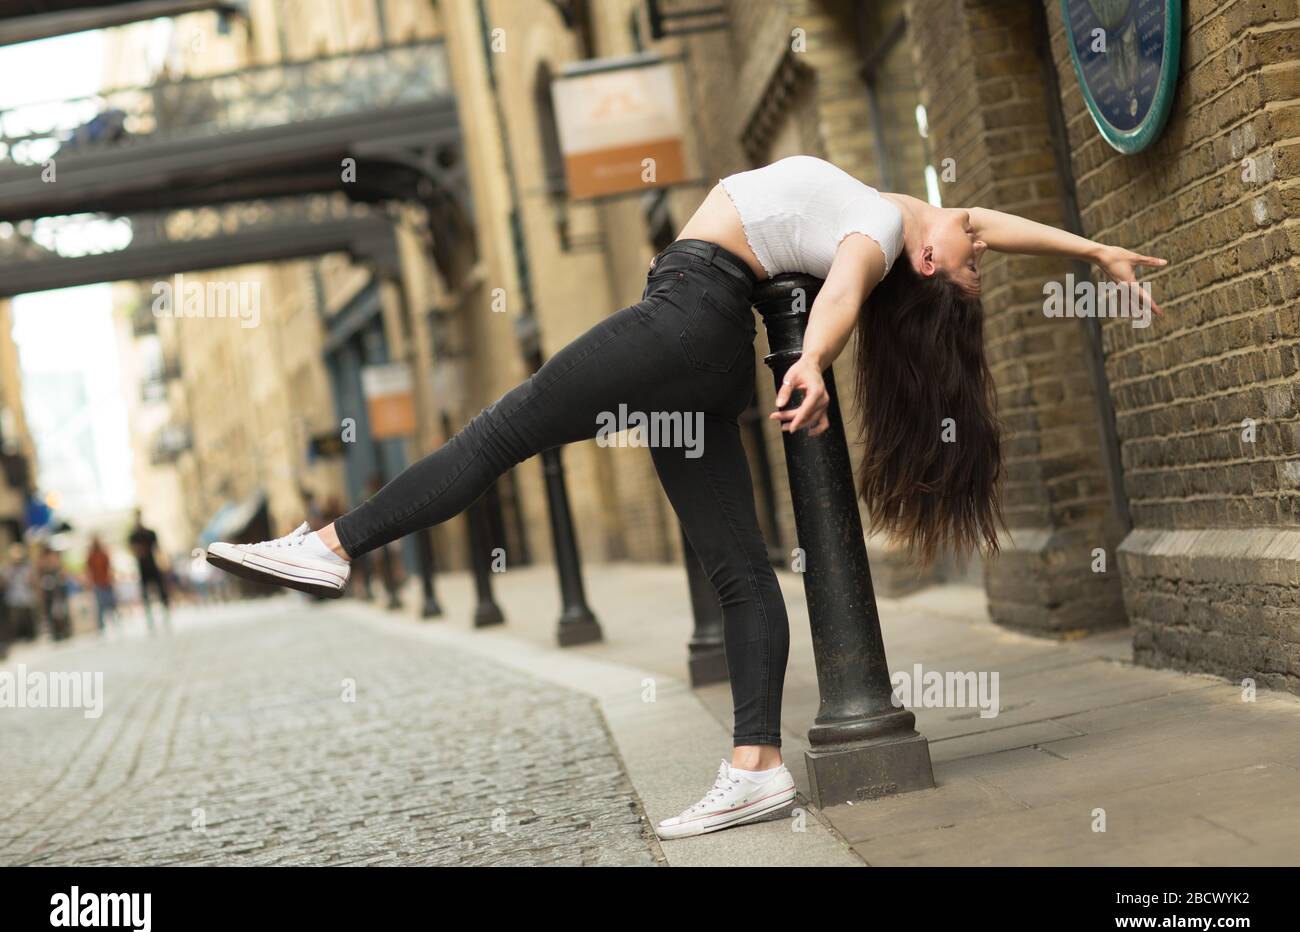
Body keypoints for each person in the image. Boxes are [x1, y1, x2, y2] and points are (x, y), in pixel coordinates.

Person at [206, 154, 1164, 840]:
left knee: (501, 430)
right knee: (742, 570)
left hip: (686, 316)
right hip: (705, 360)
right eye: (976, 254)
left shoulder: (875, 235)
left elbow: (840, 296)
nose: (978, 240)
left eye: (968, 261)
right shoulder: (905, 216)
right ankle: (755, 768)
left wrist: (819, 362)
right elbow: (991, 222)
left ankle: (333, 546)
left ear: (921, 264)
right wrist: (1094, 254)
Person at [127, 511, 170, 630]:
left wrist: (164, 563)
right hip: (142, 568)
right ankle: (150, 619)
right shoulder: (133, 536)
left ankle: (165, 615)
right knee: (145, 594)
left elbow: (158, 549)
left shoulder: (150, 533)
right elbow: (132, 551)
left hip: (152, 565)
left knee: (161, 591)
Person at [85, 535, 118, 633]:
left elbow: (109, 567)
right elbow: (89, 570)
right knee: (100, 605)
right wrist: (90, 582)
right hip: (97, 583)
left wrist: (112, 578)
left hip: (106, 581)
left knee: (111, 602)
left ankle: (115, 621)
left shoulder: (103, 554)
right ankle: (101, 626)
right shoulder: (91, 556)